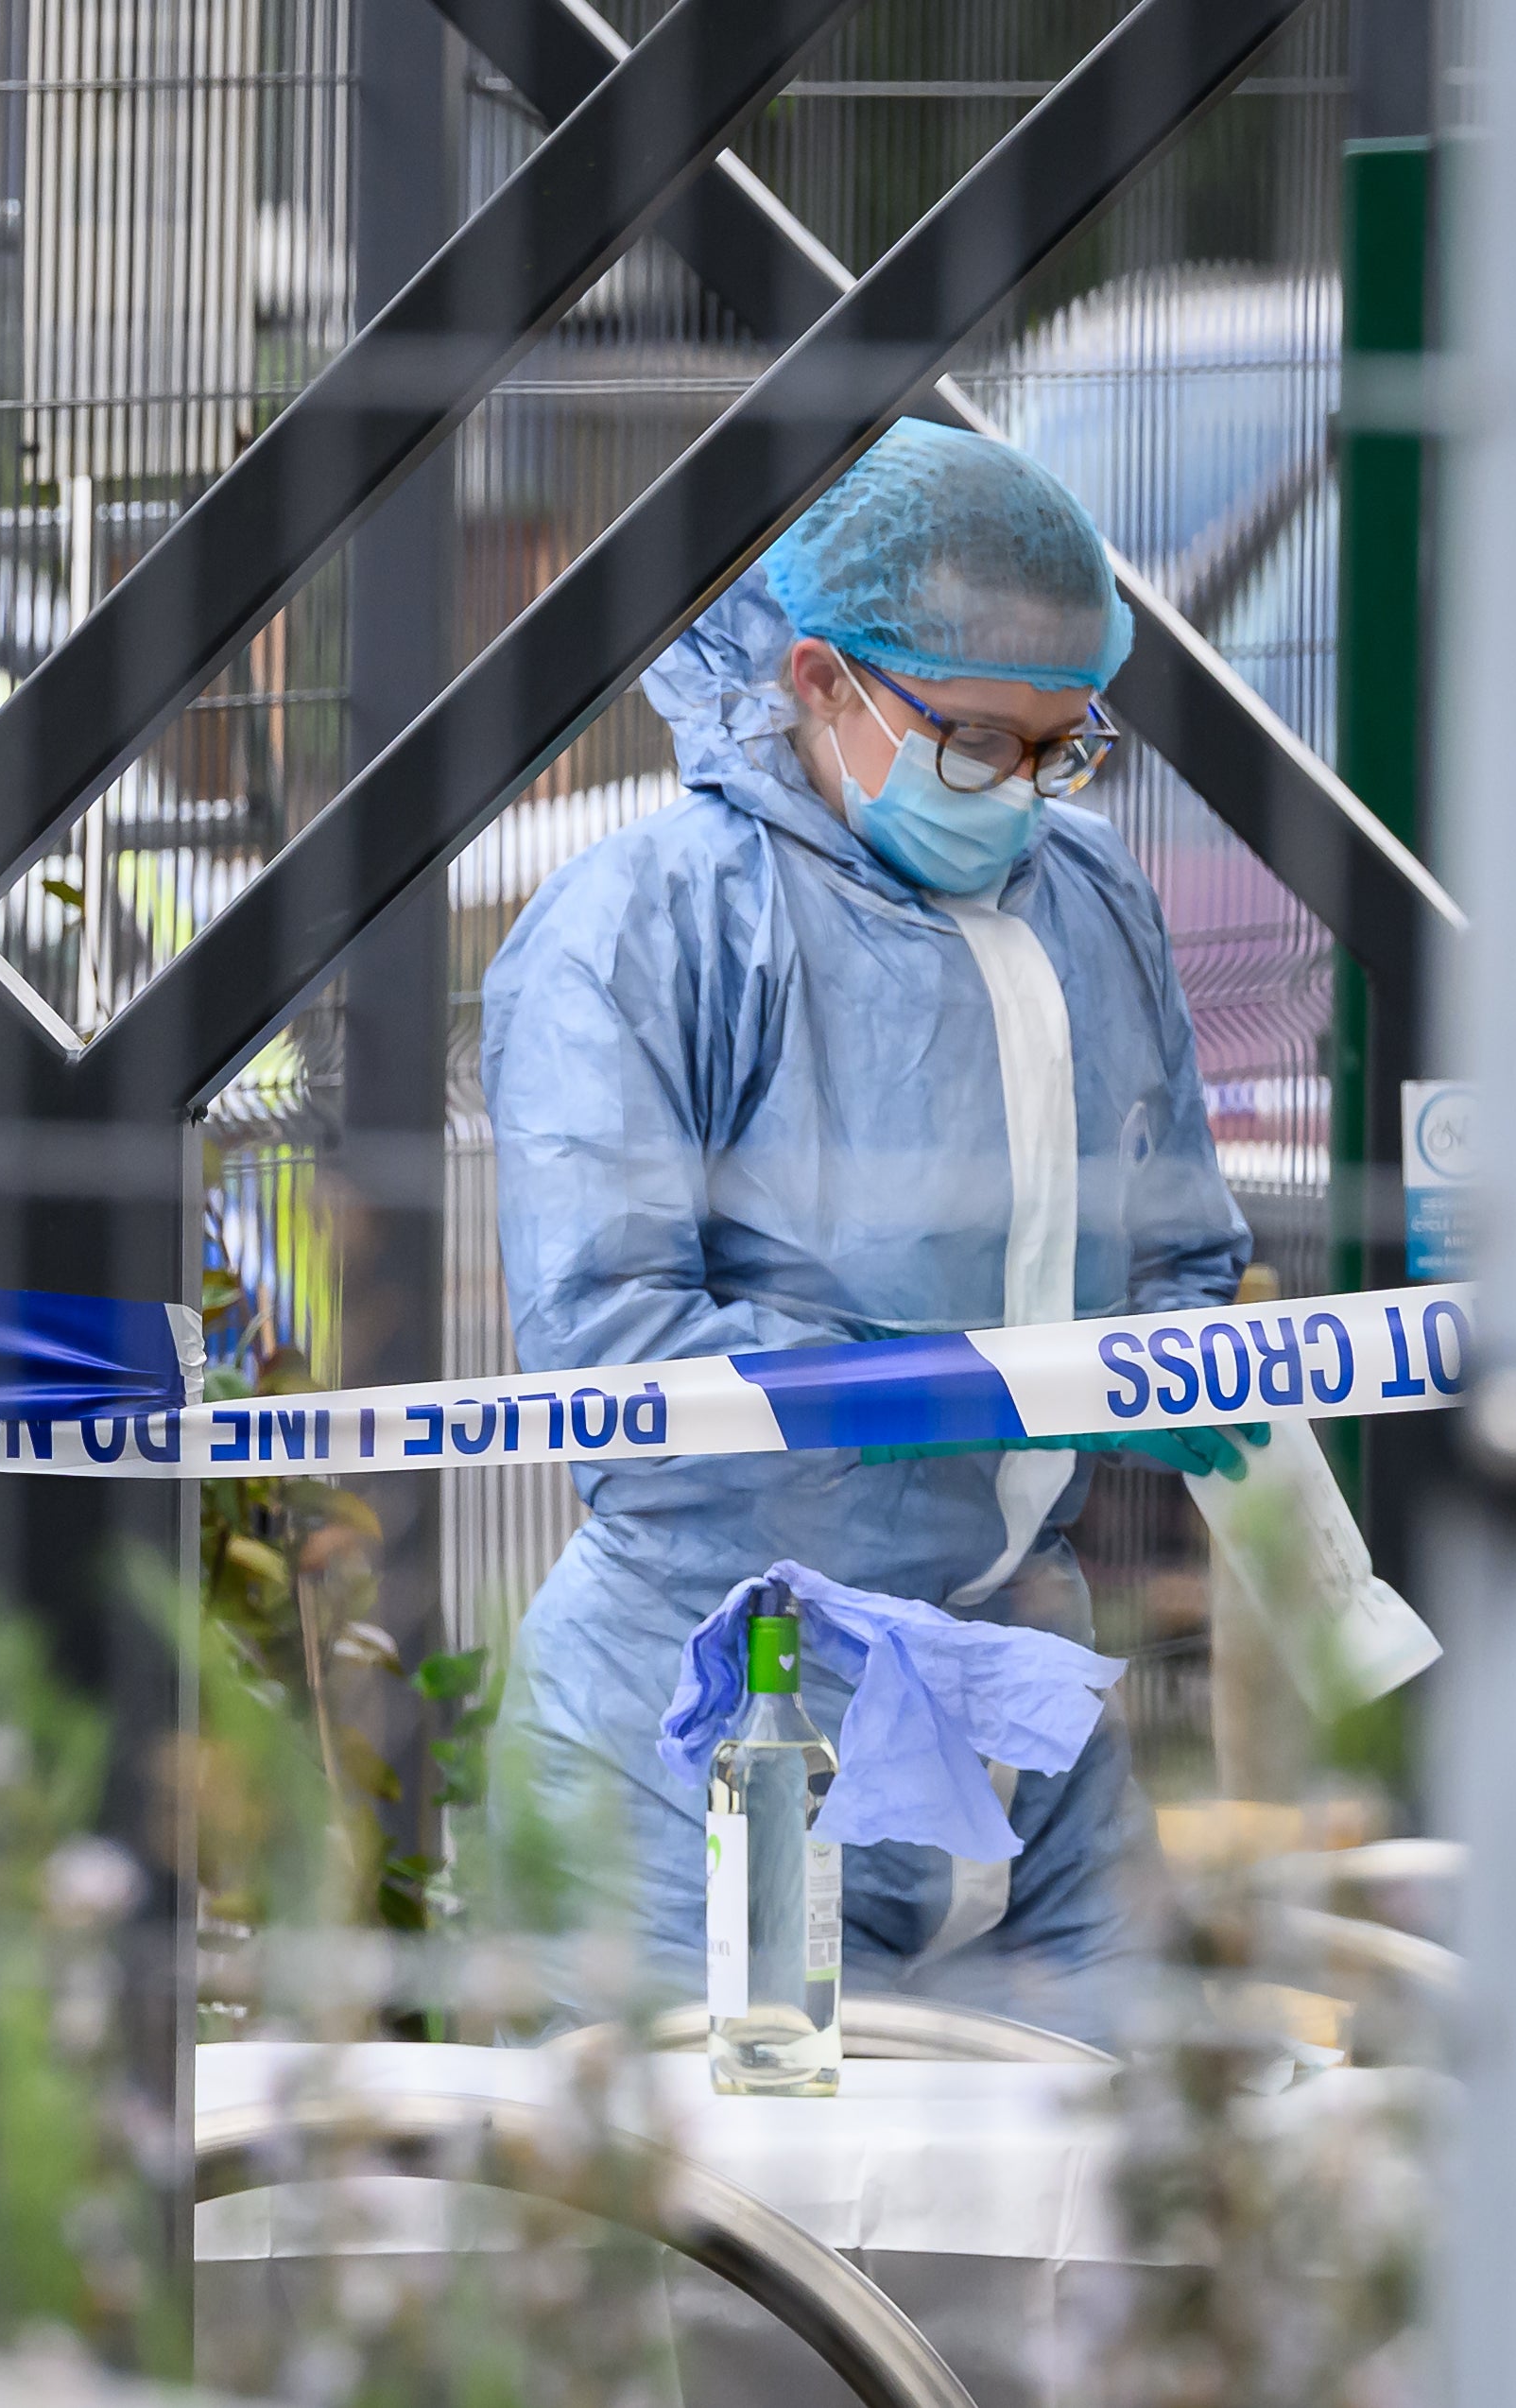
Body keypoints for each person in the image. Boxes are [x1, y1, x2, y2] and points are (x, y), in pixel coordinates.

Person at [481, 420, 1254, 2048]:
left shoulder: (1091, 897)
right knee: (737, 2181)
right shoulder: (649, 923)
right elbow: (612, 1345)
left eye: (1060, 748)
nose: (1020, 791)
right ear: (822, 680)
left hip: (1019, 1689)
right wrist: (965, 1392)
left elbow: (1176, 1242)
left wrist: (1202, 1364)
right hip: (724, 1708)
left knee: (1126, 2166)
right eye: (975, 743)